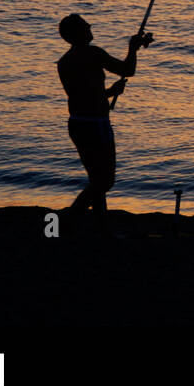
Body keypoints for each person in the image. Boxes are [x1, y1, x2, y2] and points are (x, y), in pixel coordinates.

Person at [56, 14, 153, 228]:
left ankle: (101, 228)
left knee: (96, 180)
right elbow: (128, 70)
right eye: (85, 25)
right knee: (105, 182)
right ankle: (69, 220)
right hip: (96, 124)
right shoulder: (93, 53)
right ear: (79, 32)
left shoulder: (64, 62)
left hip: (78, 123)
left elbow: (83, 95)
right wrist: (132, 47)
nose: (90, 26)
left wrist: (109, 92)